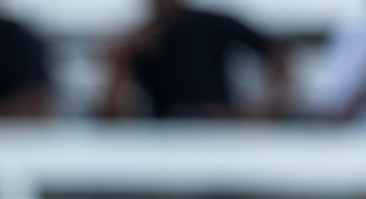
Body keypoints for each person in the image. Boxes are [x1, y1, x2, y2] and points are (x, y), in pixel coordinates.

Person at [102, 0, 292, 118]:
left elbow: (279, 51)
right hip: (163, 136)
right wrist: (120, 61)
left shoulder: (213, 25)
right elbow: (114, 118)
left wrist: (261, 111)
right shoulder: (143, 40)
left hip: (219, 128)